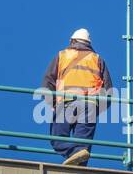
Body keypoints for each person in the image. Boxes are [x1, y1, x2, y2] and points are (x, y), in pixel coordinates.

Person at [41, 28, 112, 166]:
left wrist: (52, 103)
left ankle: (73, 154)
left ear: (72, 41)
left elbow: (47, 83)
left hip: (65, 102)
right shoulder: (97, 59)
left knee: (57, 139)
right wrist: (97, 110)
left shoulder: (62, 55)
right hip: (89, 105)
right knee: (83, 146)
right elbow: (108, 92)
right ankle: (78, 165)